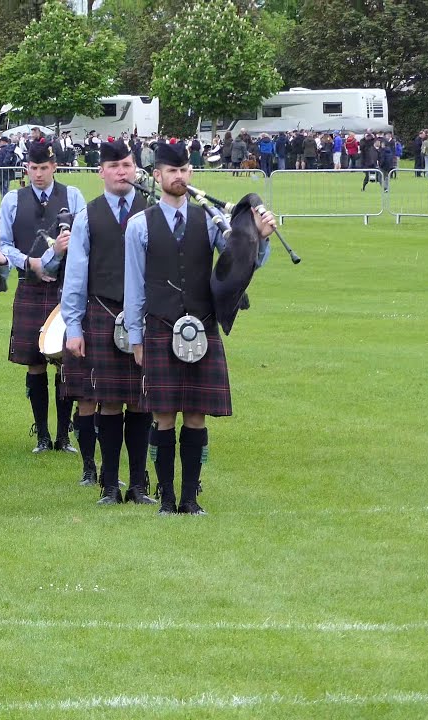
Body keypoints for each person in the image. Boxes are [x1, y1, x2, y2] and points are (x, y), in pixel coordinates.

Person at [123, 142, 275, 515]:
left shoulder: (209, 220)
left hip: (202, 328)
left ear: (190, 173)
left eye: (184, 170)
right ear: (157, 175)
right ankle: (166, 499)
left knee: (195, 414)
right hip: (160, 327)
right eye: (171, 171)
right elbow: (134, 287)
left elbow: (241, 260)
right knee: (162, 416)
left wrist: (260, 236)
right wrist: (135, 337)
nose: (179, 177)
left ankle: (190, 498)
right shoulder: (139, 225)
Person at [60, 140, 153, 500]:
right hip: (103, 312)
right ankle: (110, 485)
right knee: (110, 401)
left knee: (142, 401)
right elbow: (75, 274)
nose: (121, 172)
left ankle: (139, 485)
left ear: (136, 169)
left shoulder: (152, 211)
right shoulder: (88, 216)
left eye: (127, 165)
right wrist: (73, 326)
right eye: (113, 166)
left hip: (147, 318)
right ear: (101, 172)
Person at [0, 141, 85, 453]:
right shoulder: (12, 199)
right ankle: (43, 436)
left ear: (54, 167)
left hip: (64, 290)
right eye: (33, 168)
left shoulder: (73, 196)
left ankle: (63, 435)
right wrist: (29, 262)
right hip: (30, 287)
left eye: (44, 168)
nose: (38, 174)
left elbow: (84, 239)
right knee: (35, 363)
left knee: (64, 362)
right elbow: (3, 244)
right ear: (26, 168)